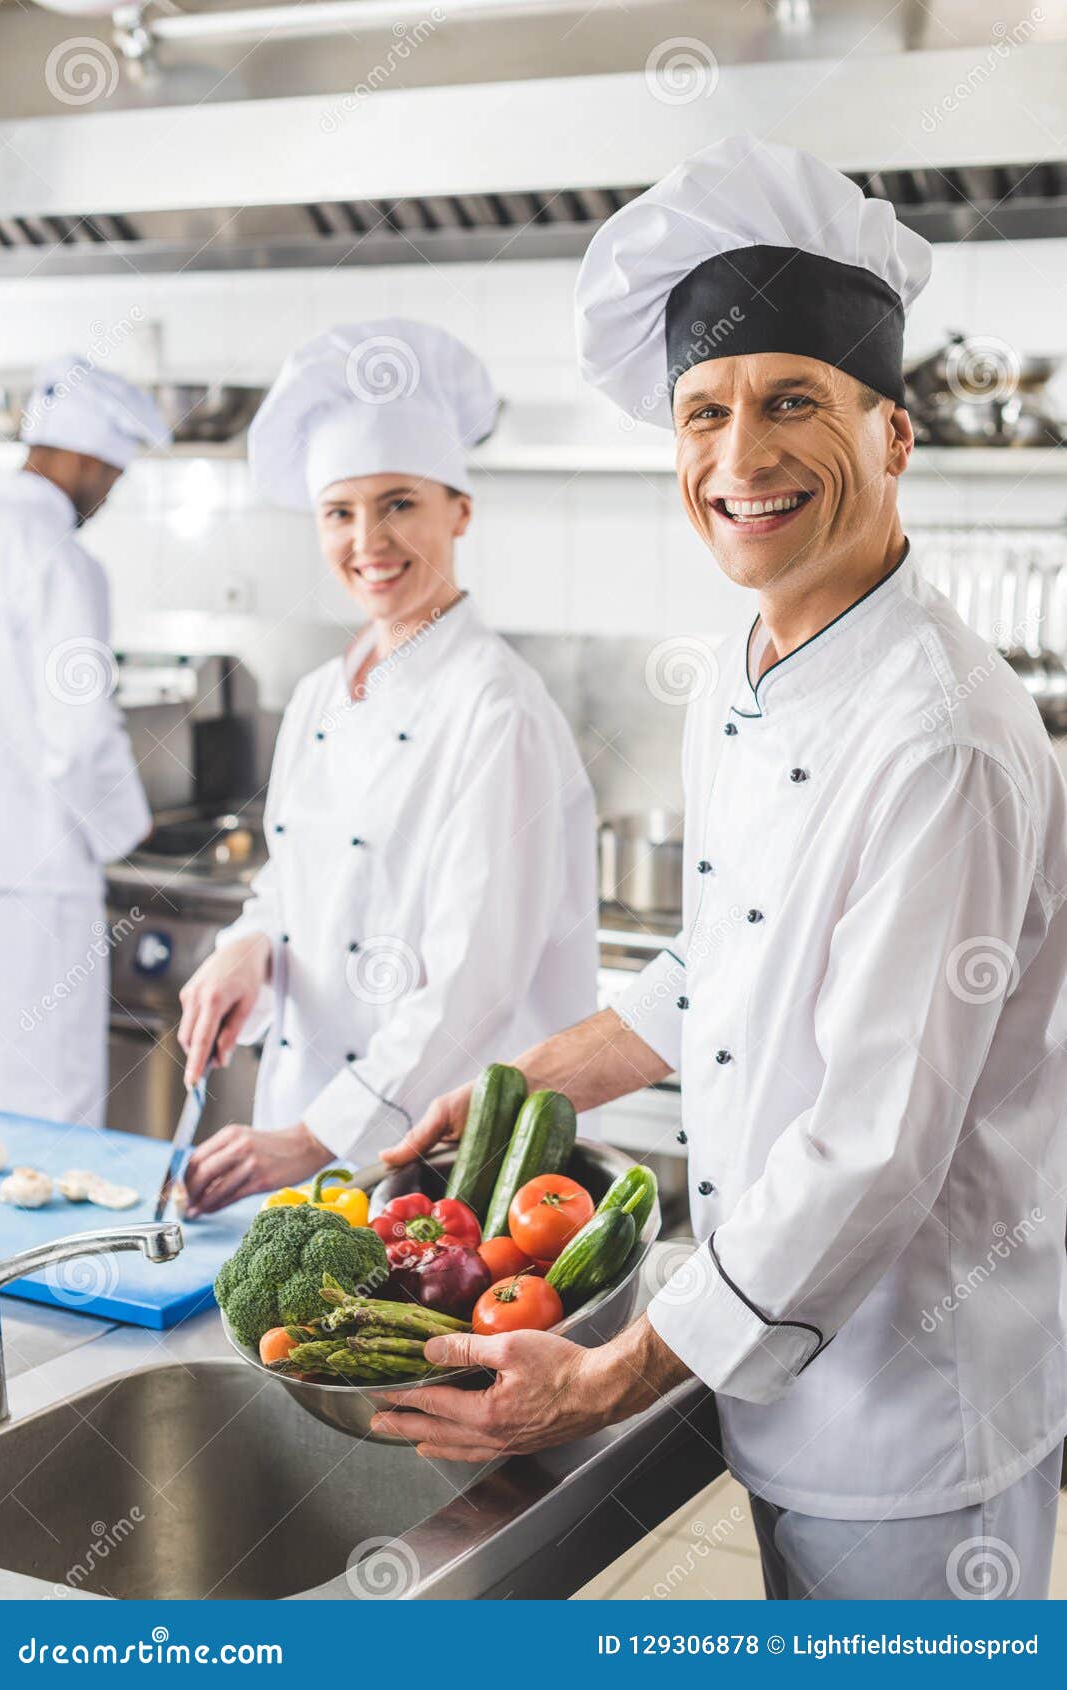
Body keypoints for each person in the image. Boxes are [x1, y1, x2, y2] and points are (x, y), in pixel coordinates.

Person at [373, 138, 1067, 1601]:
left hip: (912, 1407)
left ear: (895, 437)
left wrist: (615, 1370)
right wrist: (527, 1084)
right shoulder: (745, 671)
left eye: (794, 403)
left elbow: (871, 1145)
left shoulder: (940, 739)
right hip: (781, 1365)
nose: (740, 460)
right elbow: (723, 964)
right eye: (705, 412)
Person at [179, 319, 598, 1216]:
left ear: (461, 511)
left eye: (400, 503)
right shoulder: (322, 694)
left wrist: (314, 1137)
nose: (369, 539)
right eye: (340, 512)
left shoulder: (499, 710)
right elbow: (294, 882)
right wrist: (247, 945)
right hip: (311, 1141)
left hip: (437, 1163)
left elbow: (471, 987)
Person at [0, 356, 166, 1128]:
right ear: (88, 459)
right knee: (44, 1119)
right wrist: (129, 833)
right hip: (31, 884)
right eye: (111, 476)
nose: (105, 496)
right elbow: (77, 736)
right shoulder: (60, 561)